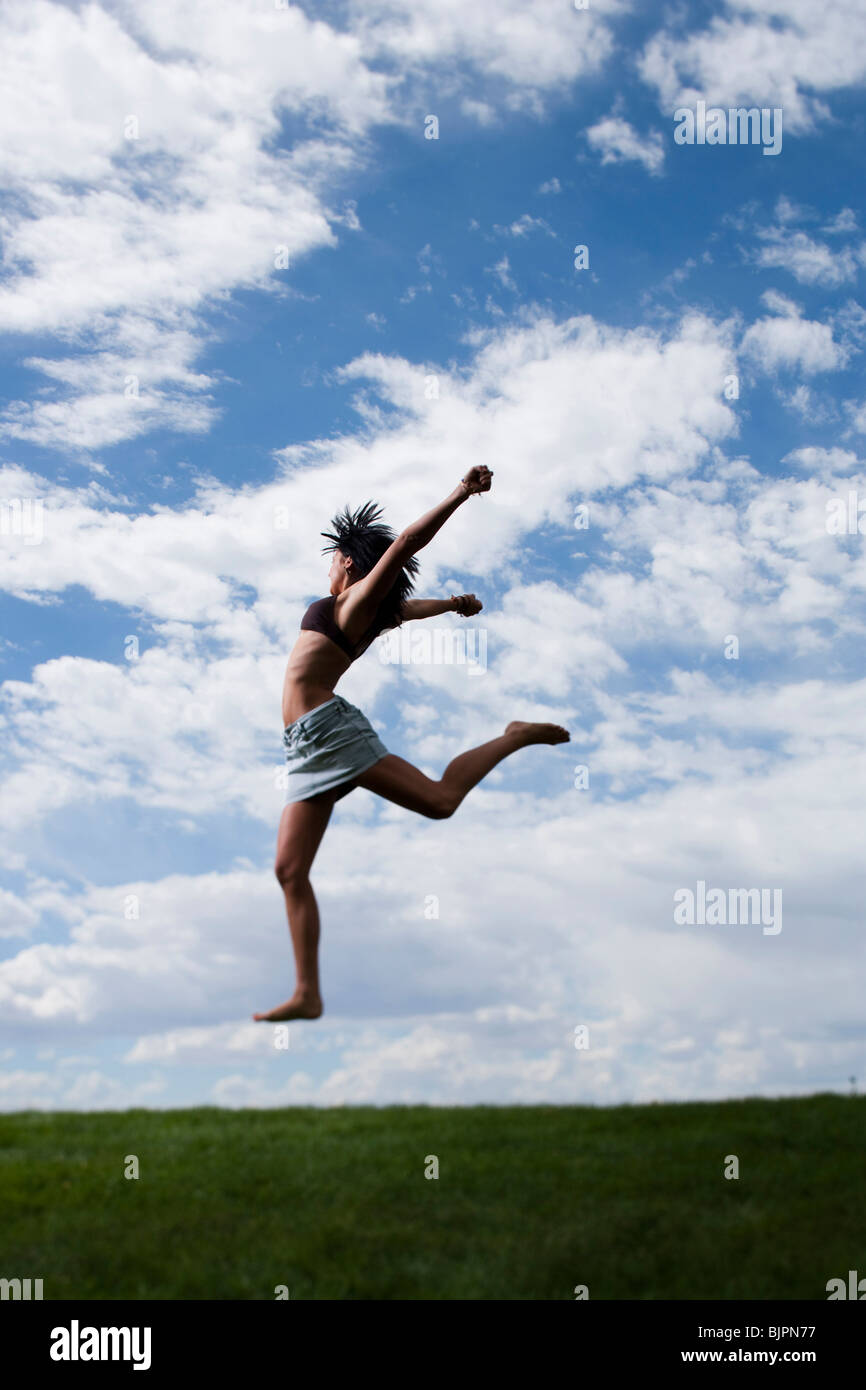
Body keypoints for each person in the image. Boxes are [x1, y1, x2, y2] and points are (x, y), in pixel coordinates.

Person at [254, 466, 569, 1022]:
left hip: (329, 732)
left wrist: (461, 493)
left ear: (349, 562)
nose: (329, 568)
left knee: (441, 801)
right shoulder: (365, 615)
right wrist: (451, 605)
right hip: (305, 749)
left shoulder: (350, 606)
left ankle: (514, 736)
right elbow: (404, 611)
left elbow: (402, 545)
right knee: (289, 870)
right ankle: (308, 993)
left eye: (333, 559)